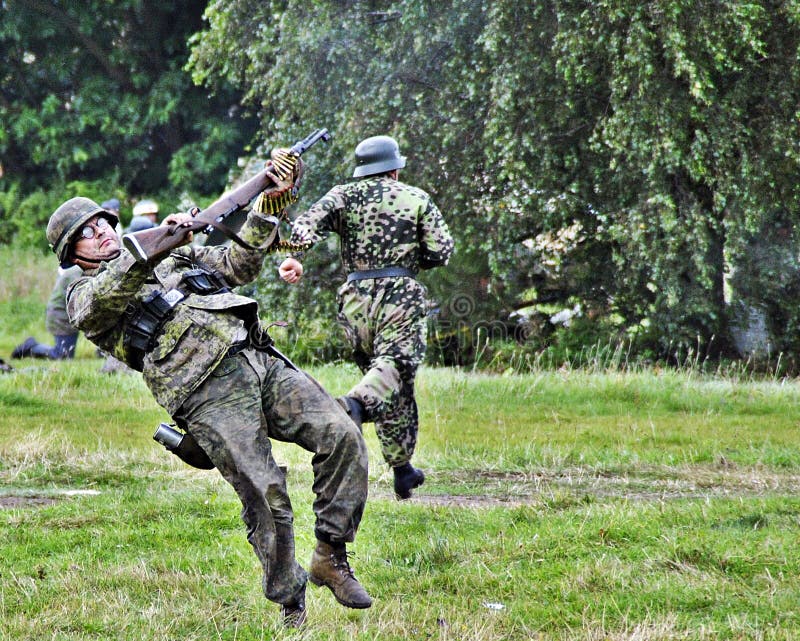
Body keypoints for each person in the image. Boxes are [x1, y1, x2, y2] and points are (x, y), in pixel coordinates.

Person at [46, 190, 373, 628]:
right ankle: (290, 599)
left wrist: (265, 209)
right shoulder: (82, 293)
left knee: (343, 435)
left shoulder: (173, 257)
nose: (100, 232)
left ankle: (331, 553)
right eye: (85, 233)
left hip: (256, 356)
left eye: (102, 222)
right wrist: (160, 239)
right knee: (266, 493)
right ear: (73, 254)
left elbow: (240, 265)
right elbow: (101, 300)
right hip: (202, 389)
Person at [279, 135, 454, 499]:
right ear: (394, 168)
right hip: (399, 295)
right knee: (395, 367)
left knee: (390, 380)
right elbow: (441, 252)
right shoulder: (416, 197)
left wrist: (297, 258)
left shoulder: (342, 195)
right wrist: (408, 264)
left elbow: (304, 227)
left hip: (354, 303)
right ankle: (352, 407)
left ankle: (403, 469)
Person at [12, 264, 82, 359]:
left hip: (65, 312)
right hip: (61, 315)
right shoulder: (78, 272)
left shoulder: (78, 269)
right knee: (62, 355)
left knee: (66, 354)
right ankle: (31, 347)